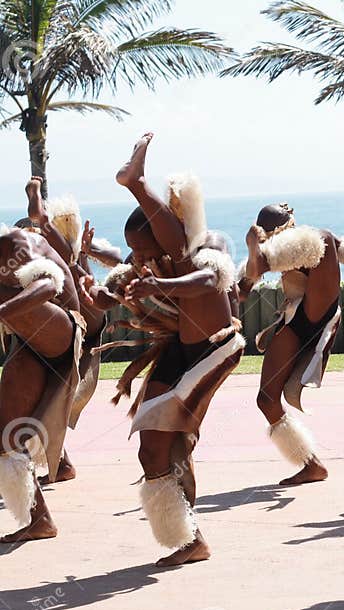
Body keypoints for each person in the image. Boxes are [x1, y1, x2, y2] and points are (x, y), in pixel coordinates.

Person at [82, 132, 243, 567]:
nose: (139, 258)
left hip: (216, 348)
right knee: (157, 448)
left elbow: (212, 282)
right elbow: (105, 296)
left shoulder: (203, 250)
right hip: (180, 349)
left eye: (143, 248)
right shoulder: (145, 262)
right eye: (134, 251)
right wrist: (95, 292)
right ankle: (188, 539)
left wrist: (160, 283)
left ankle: (137, 183)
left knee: (172, 443)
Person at [240, 203, 344, 485]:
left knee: (323, 239)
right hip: (299, 319)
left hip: (313, 314)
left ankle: (311, 465)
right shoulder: (285, 251)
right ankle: (311, 465)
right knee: (266, 400)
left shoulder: (316, 238)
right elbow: (243, 287)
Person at [24, 178, 124, 484]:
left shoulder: (71, 256)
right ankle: (60, 464)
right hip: (72, 331)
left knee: (46, 403)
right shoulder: (58, 258)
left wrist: (85, 250)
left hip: (84, 329)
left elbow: (118, 262)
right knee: (47, 401)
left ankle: (29, 466)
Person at [0, 226, 85, 543]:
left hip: (61, 329)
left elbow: (50, 285)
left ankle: (61, 462)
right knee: (6, 435)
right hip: (28, 343)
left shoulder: (16, 243)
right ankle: (40, 520)